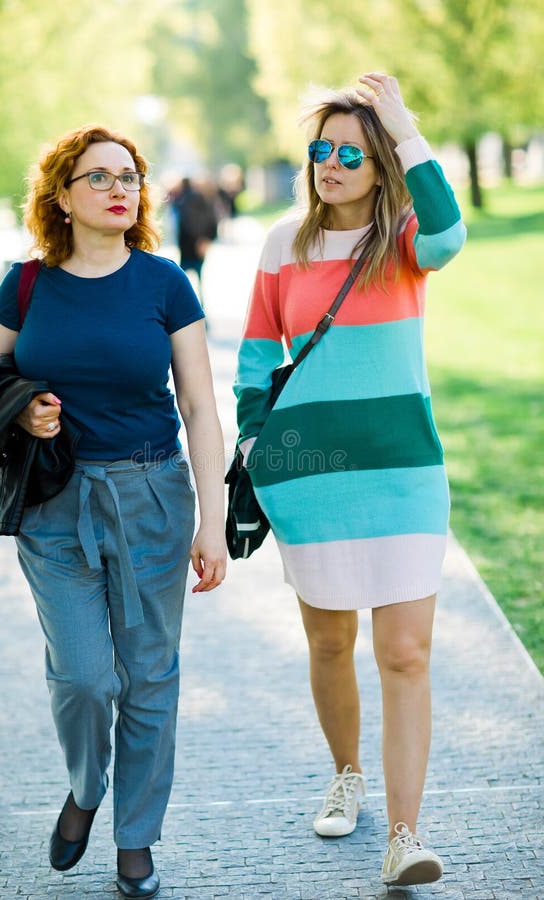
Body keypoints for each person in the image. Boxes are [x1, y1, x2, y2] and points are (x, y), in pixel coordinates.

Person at [0, 124, 227, 899]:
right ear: (61, 195)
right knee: (85, 677)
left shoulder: (164, 284)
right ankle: (87, 786)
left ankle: (136, 837)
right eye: (99, 177)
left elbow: (200, 407)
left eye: (130, 177)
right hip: (54, 503)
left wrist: (212, 520)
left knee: (149, 675)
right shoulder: (26, 284)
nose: (120, 189)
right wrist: (21, 411)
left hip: (152, 496)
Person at [233, 72, 466, 887]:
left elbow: (450, 234)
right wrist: (259, 446)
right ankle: (346, 773)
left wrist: (404, 125)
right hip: (312, 477)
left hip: (404, 474)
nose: (330, 165)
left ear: (381, 165)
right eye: (321, 150)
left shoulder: (403, 237)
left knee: (404, 654)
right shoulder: (282, 245)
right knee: (330, 641)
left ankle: (405, 835)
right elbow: (255, 356)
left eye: (351, 154)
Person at [173, 176, 218, 309]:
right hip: (197, 247)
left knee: (182, 282)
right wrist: (206, 240)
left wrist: (201, 240)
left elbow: (190, 223)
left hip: (189, 248)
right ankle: (199, 310)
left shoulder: (186, 200)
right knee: (197, 281)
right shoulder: (201, 198)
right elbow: (212, 221)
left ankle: (186, 310)